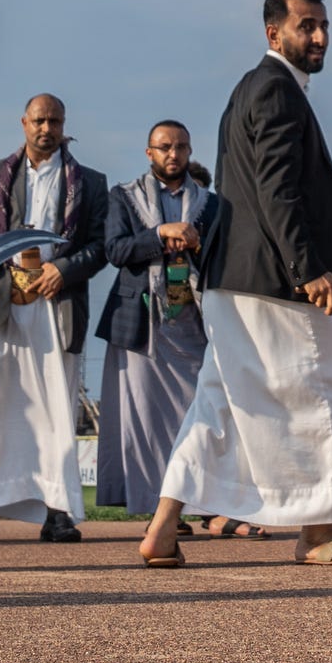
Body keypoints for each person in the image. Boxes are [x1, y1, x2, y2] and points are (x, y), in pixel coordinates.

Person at [137, 0, 332, 567]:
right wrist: (311, 270)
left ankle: (163, 530)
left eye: (324, 25)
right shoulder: (275, 89)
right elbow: (278, 192)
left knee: (220, 405)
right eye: (307, 26)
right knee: (329, 395)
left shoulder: (251, 89)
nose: (320, 36)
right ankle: (320, 535)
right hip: (278, 283)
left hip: (236, 279)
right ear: (274, 33)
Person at [0, 94, 107, 544]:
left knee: (56, 413)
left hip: (54, 307)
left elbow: (99, 247)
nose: (47, 128)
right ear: (24, 123)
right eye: (39, 120)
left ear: (64, 124)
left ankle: (57, 512)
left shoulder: (90, 182)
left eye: (55, 121)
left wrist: (63, 269)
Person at [94, 120, 233, 533]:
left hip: (191, 320)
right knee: (146, 422)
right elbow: (116, 250)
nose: (173, 154)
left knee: (196, 412)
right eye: (165, 147)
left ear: (190, 152)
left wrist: (196, 244)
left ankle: (193, 504)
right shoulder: (124, 197)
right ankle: (160, 513)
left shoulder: (211, 203)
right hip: (142, 322)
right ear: (149, 152)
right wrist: (160, 233)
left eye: (181, 147)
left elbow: (222, 258)